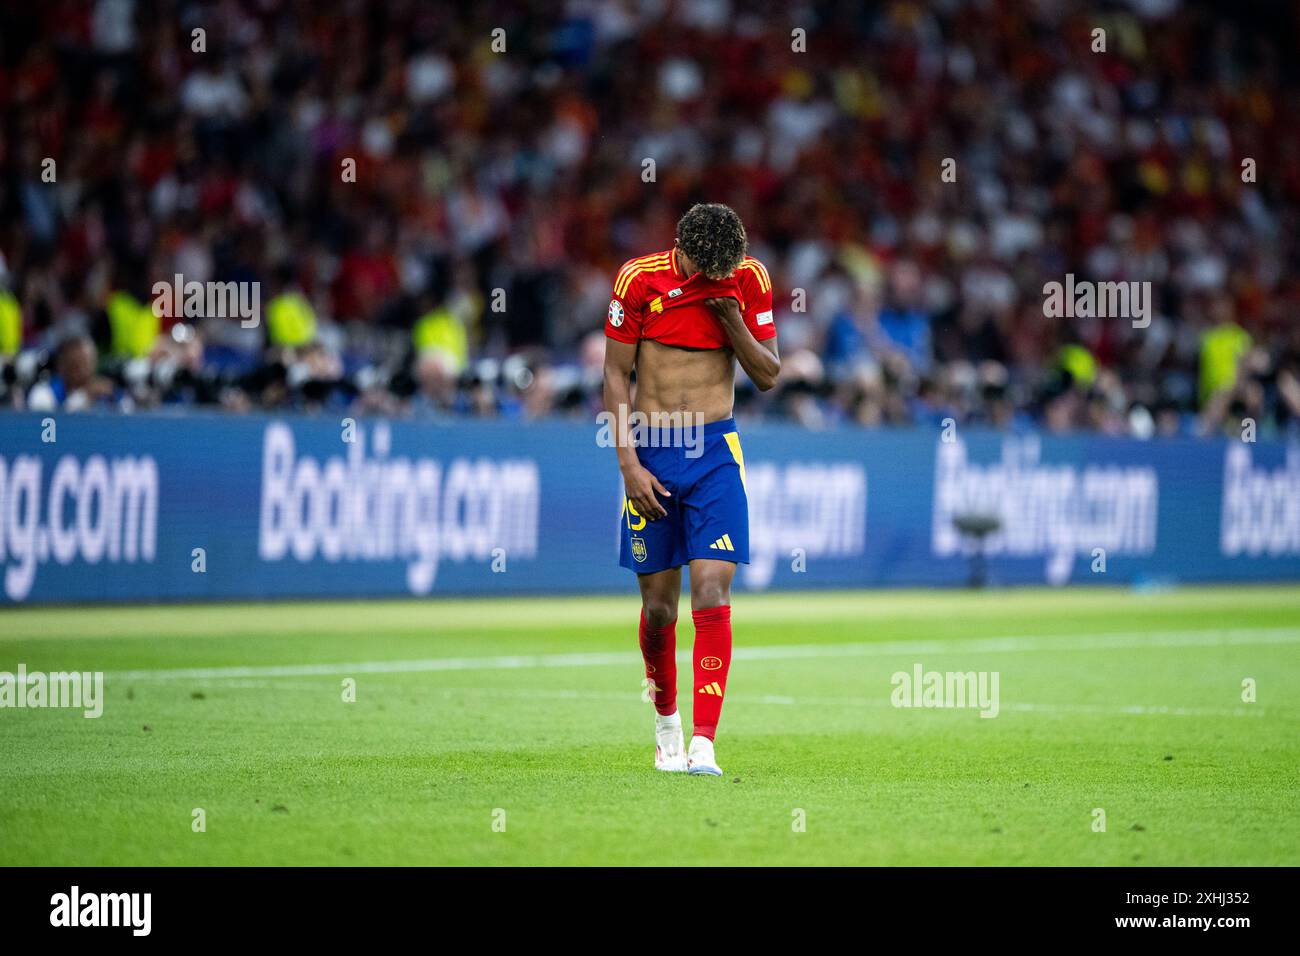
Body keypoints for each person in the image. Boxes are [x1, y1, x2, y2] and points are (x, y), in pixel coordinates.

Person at [601, 203, 780, 775]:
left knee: (711, 589)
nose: (715, 278)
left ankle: (704, 741)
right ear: (681, 251)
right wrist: (627, 464)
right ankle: (667, 726)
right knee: (658, 610)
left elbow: (769, 374)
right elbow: (613, 374)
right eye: (706, 270)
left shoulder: (746, 279)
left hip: (714, 453)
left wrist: (732, 320)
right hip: (651, 450)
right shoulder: (638, 280)